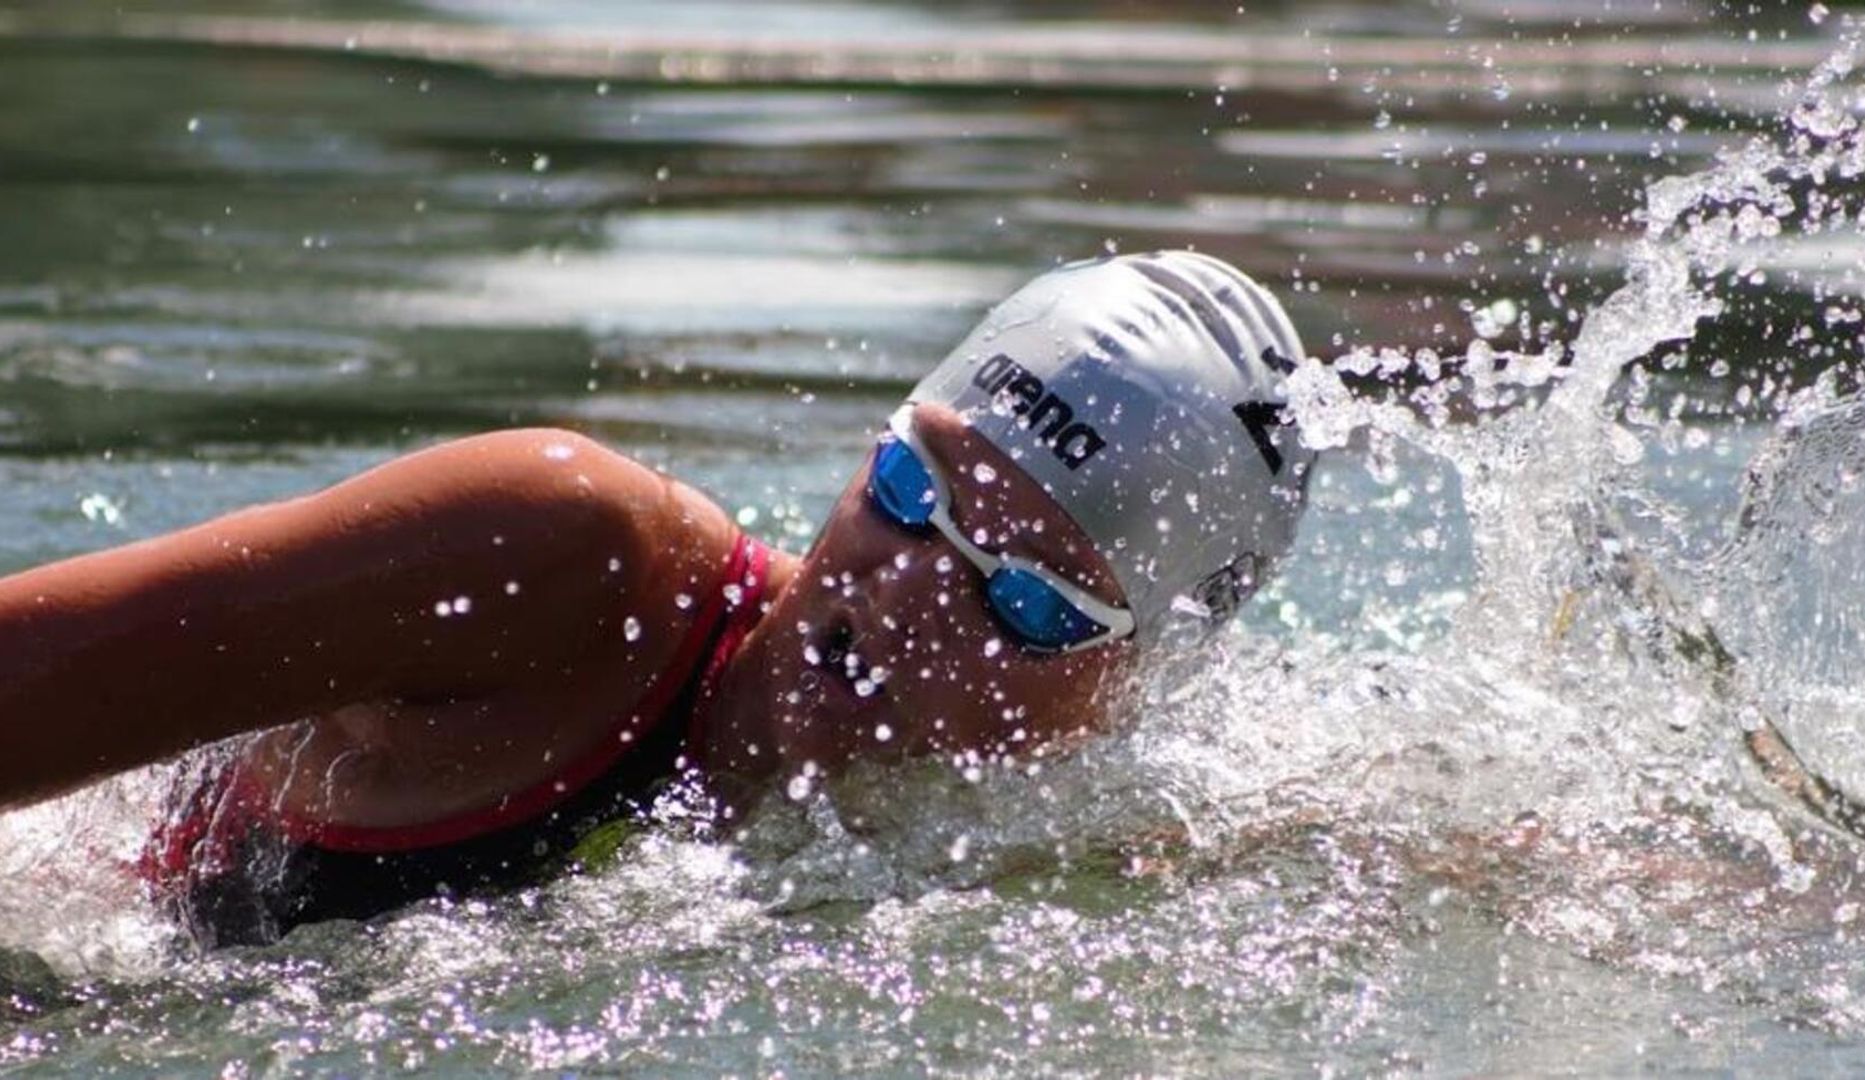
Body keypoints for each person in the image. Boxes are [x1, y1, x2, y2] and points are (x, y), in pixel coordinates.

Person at [0, 251, 1315, 945]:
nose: (898, 588)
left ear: (1130, 687)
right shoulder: (563, 569)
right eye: (912, 491)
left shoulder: (1115, 831)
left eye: (1022, 603)